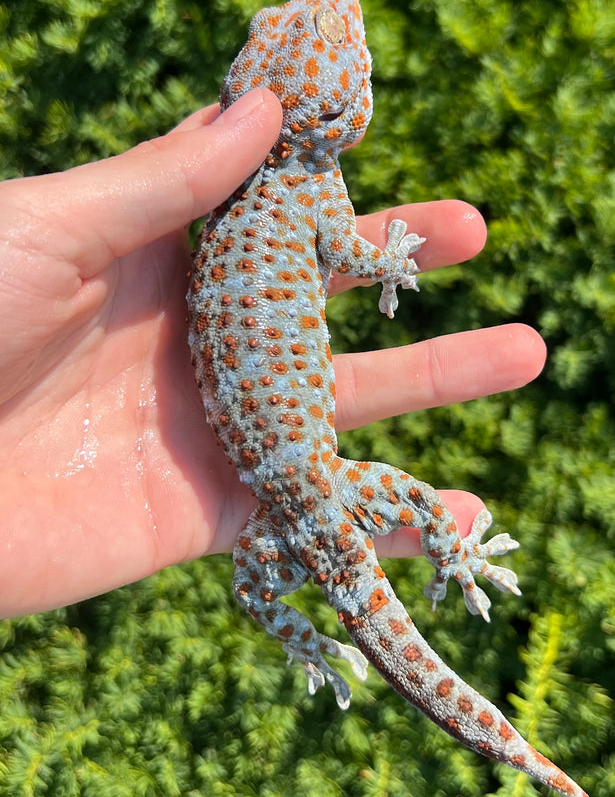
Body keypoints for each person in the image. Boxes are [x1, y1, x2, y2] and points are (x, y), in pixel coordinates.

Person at [0, 88, 546, 618]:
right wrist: (391, 265)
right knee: (423, 510)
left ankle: (399, 589)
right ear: (335, 115)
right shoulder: (313, 184)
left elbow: (341, 249)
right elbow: (346, 250)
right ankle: (452, 559)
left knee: (376, 530)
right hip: (286, 472)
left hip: (281, 466)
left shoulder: (249, 182)